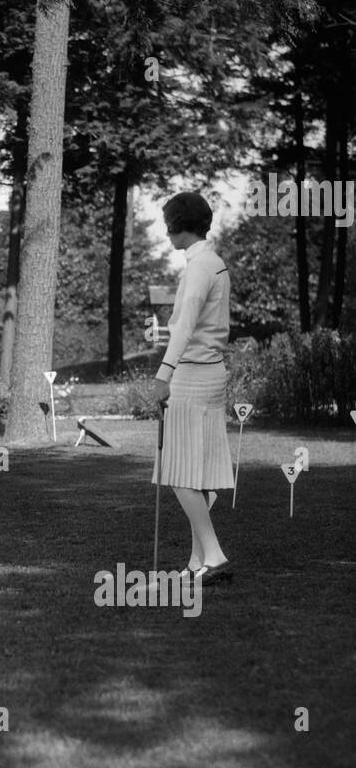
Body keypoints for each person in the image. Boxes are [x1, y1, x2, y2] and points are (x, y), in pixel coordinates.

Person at [152, 191, 234, 586]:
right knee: (194, 474)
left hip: (193, 373)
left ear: (179, 225)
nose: (166, 232)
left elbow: (184, 326)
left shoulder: (200, 267)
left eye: (169, 223)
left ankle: (214, 556)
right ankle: (196, 562)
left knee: (180, 473)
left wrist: (163, 375)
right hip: (209, 372)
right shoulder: (211, 262)